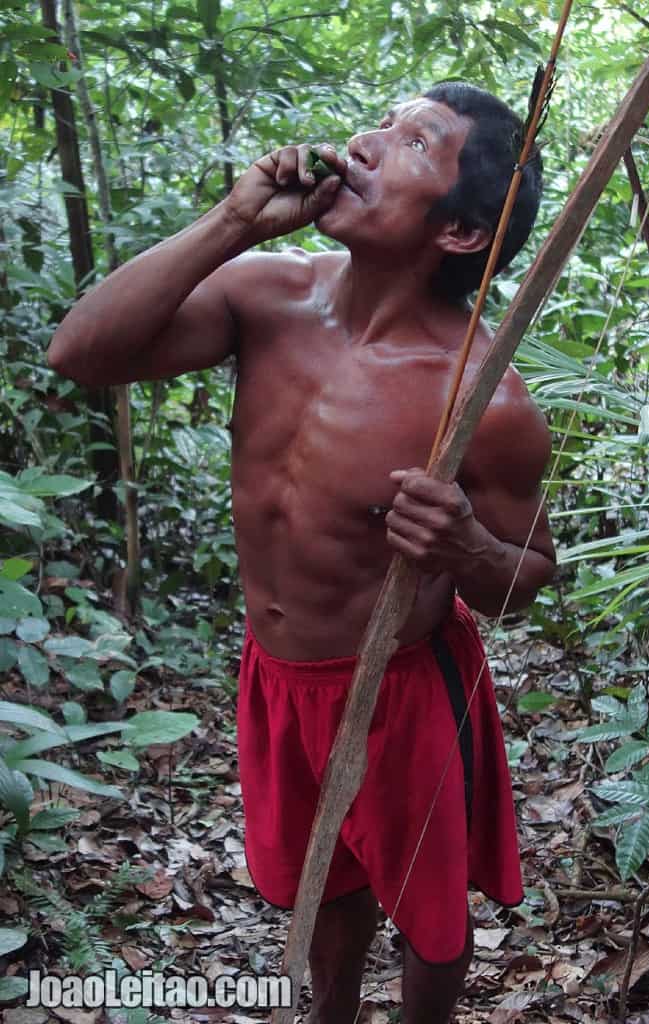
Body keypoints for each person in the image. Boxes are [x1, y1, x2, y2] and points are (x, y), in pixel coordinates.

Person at [48, 81, 556, 1024]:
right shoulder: (264, 291)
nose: (367, 140)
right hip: (279, 675)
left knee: (429, 912)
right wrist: (234, 219)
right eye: (383, 118)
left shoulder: (484, 398)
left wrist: (466, 545)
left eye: (415, 140)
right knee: (327, 886)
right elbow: (81, 353)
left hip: (402, 689)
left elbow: (525, 579)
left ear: (458, 233)